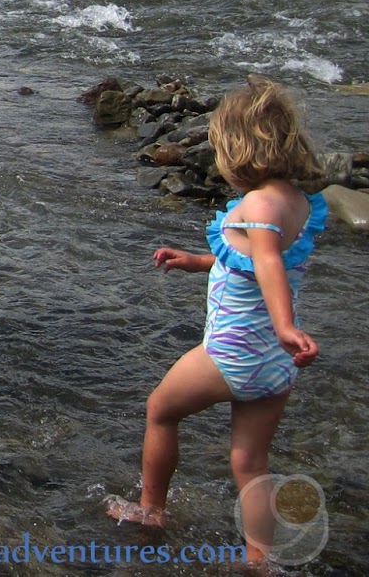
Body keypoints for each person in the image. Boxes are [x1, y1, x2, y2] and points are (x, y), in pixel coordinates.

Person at [107, 77, 327, 566]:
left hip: (233, 352)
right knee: (250, 464)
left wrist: (287, 325)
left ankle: (151, 510)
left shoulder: (257, 204)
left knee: (161, 410)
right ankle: (258, 559)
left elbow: (267, 260)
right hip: (275, 365)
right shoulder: (298, 202)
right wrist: (197, 261)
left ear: (237, 148)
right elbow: (251, 259)